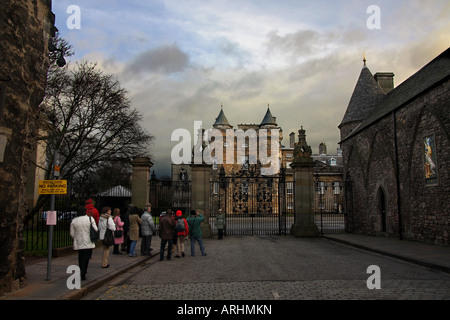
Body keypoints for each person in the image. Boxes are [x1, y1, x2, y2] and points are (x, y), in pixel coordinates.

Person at [70, 206, 98, 280]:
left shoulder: (74, 221)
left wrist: (76, 238)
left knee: (81, 257)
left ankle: (82, 271)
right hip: (88, 241)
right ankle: (83, 271)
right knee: (87, 257)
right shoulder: (90, 219)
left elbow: (72, 233)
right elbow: (95, 229)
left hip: (79, 242)